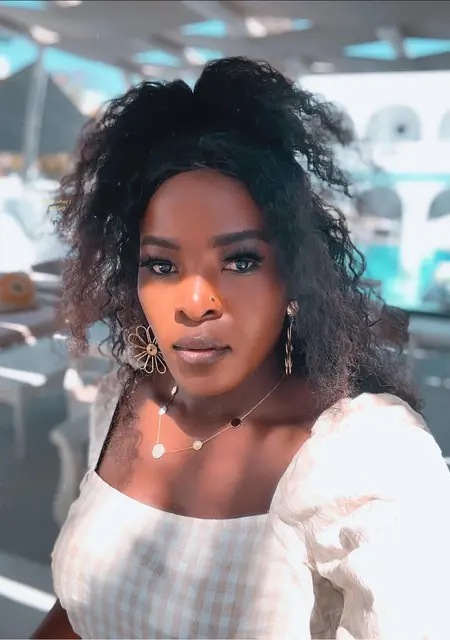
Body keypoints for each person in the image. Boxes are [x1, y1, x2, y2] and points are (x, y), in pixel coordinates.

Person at [32, 57, 450, 639]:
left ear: (294, 278)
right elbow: (83, 611)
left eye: (241, 261)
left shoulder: (367, 457)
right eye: (162, 264)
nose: (194, 302)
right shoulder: (123, 399)